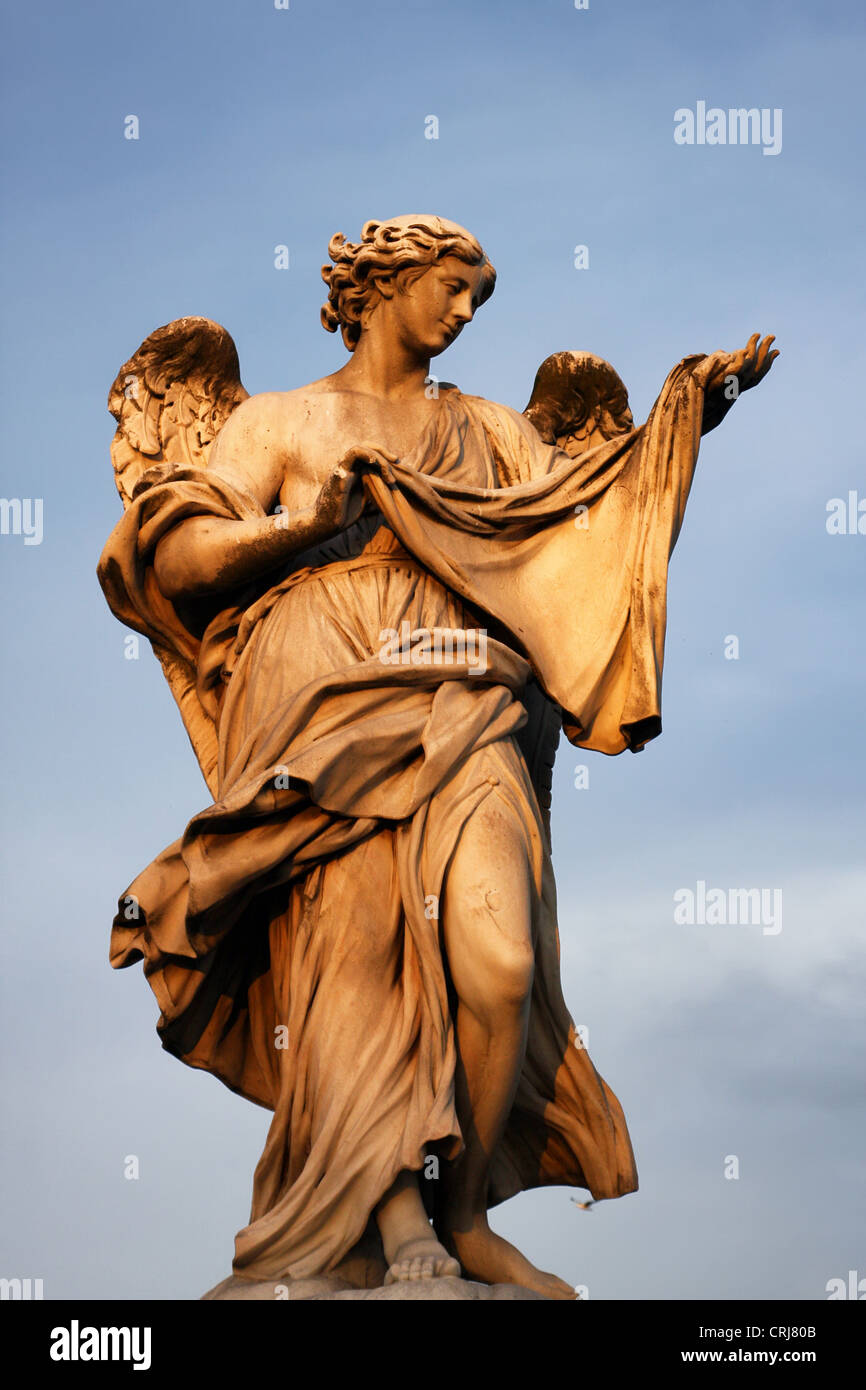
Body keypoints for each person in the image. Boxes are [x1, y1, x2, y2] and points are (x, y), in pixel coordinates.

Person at [99, 215, 776, 1298]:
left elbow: (590, 536)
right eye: (452, 288)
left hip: (464, 694)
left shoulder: (496, 433)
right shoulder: (279, 419)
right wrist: (296, 525)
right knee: (353, 967)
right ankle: (396, 1217)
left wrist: (685, 417)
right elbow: (174, 557)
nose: (464, 314)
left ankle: (462, 1215)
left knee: (497, 957)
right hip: (320, 701)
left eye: (479, 298)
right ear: (383, 284)